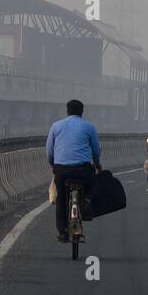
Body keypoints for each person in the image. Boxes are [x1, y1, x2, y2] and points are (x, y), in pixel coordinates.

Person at [46, 99, 102, 242]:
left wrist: (53, 165)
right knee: (94, 183)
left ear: (67, 111)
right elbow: (96, 150)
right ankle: (87, 201)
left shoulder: (56, 126)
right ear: (82, 112)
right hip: (82, 169)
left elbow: (49, 151)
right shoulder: (89, 127)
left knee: (61, 200)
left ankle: (62, 232)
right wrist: (97, 164)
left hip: (61, 170)